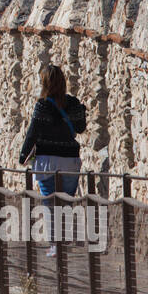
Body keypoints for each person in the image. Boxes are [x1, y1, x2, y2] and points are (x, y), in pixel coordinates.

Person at [18, 64, 87, 256]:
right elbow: (80, 128)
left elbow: (33, 132)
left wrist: (23, 156)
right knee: (65, 203)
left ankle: (55, 245)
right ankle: (63, 241)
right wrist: (82, 111)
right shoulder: (72, 103)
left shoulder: (43, 105)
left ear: (44, 83)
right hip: (69, 159)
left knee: (49, 203)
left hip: (46, 160)